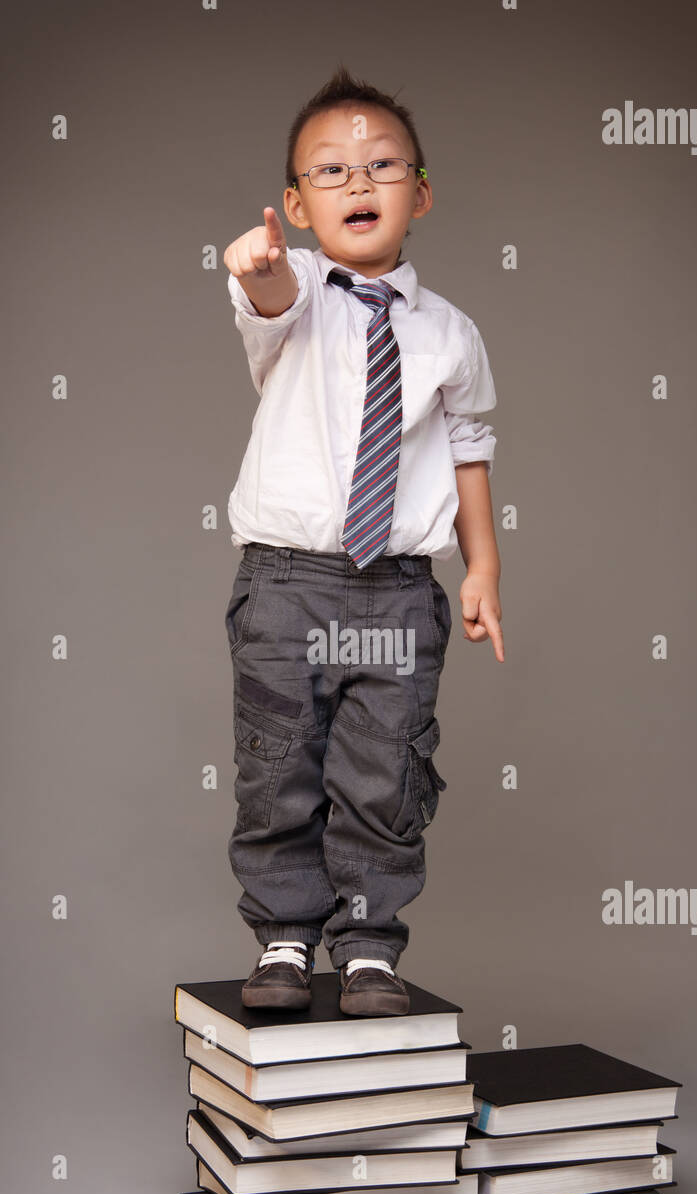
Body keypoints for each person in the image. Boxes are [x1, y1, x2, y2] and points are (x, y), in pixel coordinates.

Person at [222, 66, 504, 1017]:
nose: (358, 182)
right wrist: (257, 266)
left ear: (419, 194)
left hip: (397, 589)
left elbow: (468, 448)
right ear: (299, 206)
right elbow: (264, 294)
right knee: (279, 764)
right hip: (286, 585)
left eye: (382, 165)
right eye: (331, 171)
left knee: (385, 772)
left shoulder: (451, 332)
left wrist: (484, 566)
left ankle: (370, 946)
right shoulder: (299, 290)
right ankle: (285, 937)